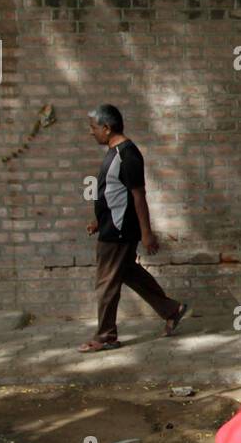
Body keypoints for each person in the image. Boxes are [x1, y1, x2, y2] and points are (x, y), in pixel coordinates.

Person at [79, 104, 188, 352]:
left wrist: (146, 233)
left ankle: (106, 337)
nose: (91, 132)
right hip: (112, 226)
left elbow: (138, 196)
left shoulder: (127, 154)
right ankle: (171, 310)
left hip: (118, 232)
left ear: (107, 128)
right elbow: (115, 194)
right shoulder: (114, 153)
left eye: (93, 128)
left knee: (106, 283)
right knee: (128, 272)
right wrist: (99, 220)